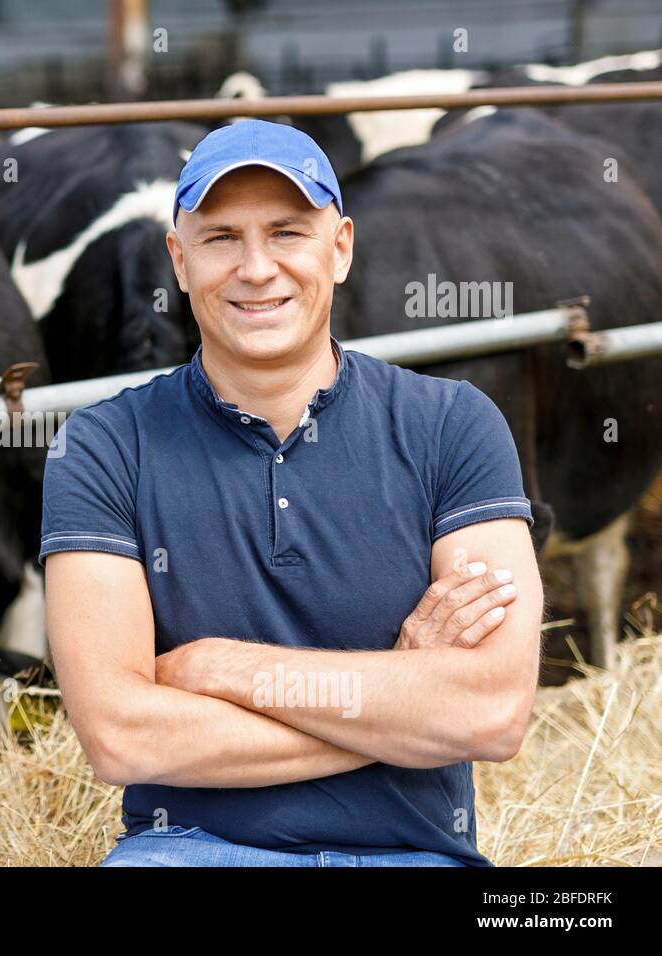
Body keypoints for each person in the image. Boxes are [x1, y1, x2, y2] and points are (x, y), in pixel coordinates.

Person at [40, 119, 544, 867]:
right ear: (179, 261)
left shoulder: (453, 424)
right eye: (221, 238)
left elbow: (491, 712)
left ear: (339, 248)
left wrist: (217, 669)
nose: (256, 268)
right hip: (187, 854)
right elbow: (122, 737)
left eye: (286, 233)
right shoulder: (103, 445)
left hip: (414, 857)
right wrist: (401, 700)